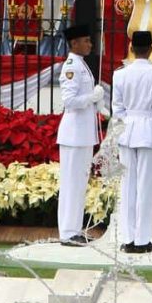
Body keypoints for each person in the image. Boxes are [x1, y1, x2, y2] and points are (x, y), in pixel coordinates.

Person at [112, 31, 152, 254]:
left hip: (127, 130)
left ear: (131, 47)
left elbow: (117, 109)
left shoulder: (120, 74)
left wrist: (118, 134)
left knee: (128, 187)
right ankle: (142, 239)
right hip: (148, 131)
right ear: (151, 48)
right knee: (145, 187)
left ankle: (129, 238)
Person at [56, 24, 103, 247]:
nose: (90, 44)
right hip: (73, 135)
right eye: (86, 40)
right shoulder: (71, 67)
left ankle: (74, 229)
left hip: (83, 134)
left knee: (79, 184)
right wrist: (91, 98)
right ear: (74, 44)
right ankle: (67, 232)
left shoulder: (82, 65)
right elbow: (69, 101)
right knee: (71, 183)